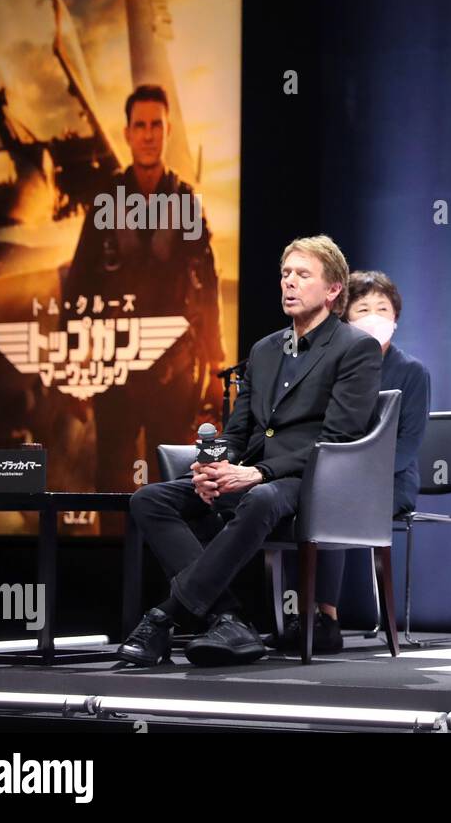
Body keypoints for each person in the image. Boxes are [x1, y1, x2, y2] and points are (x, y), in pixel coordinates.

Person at [118, 235, 382, 667]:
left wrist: (259, 472)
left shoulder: (356, 348)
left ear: (333, 289)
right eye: (285, 274)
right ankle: (227, 619)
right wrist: (211, 466)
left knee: (261, 496)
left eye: (302, 275)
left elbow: (337, 440)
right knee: (149, 498)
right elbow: (237, 432)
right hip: (256, 474)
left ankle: (165, 616)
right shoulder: (264, 350)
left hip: (316, 481)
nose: (289, 283)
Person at [63, 84, 225, 499]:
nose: (149, 134)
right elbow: (79, 282)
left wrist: (215, 367)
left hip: (173, 368)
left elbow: (207, 288)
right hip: (114, 366)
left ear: (167, 130)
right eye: (141, 125)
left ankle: (166, 567)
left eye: (156, 125)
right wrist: (74, 364)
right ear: (128, 133)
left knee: (171, 482)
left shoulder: (186, 202)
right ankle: (106, 565)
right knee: (110, 482)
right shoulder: (105, 202)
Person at [273, 270, 431, 654]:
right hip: (328, 477)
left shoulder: (411, 372)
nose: (375, 315)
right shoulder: (332, 362)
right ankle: (292, 617)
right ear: (345, 317)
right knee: (292, 502)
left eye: (383, 308)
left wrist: (348, 477)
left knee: (332, 505)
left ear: (396, 316)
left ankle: (325, 618)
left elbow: (407, 448)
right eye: (363, 309)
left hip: (388, 483)